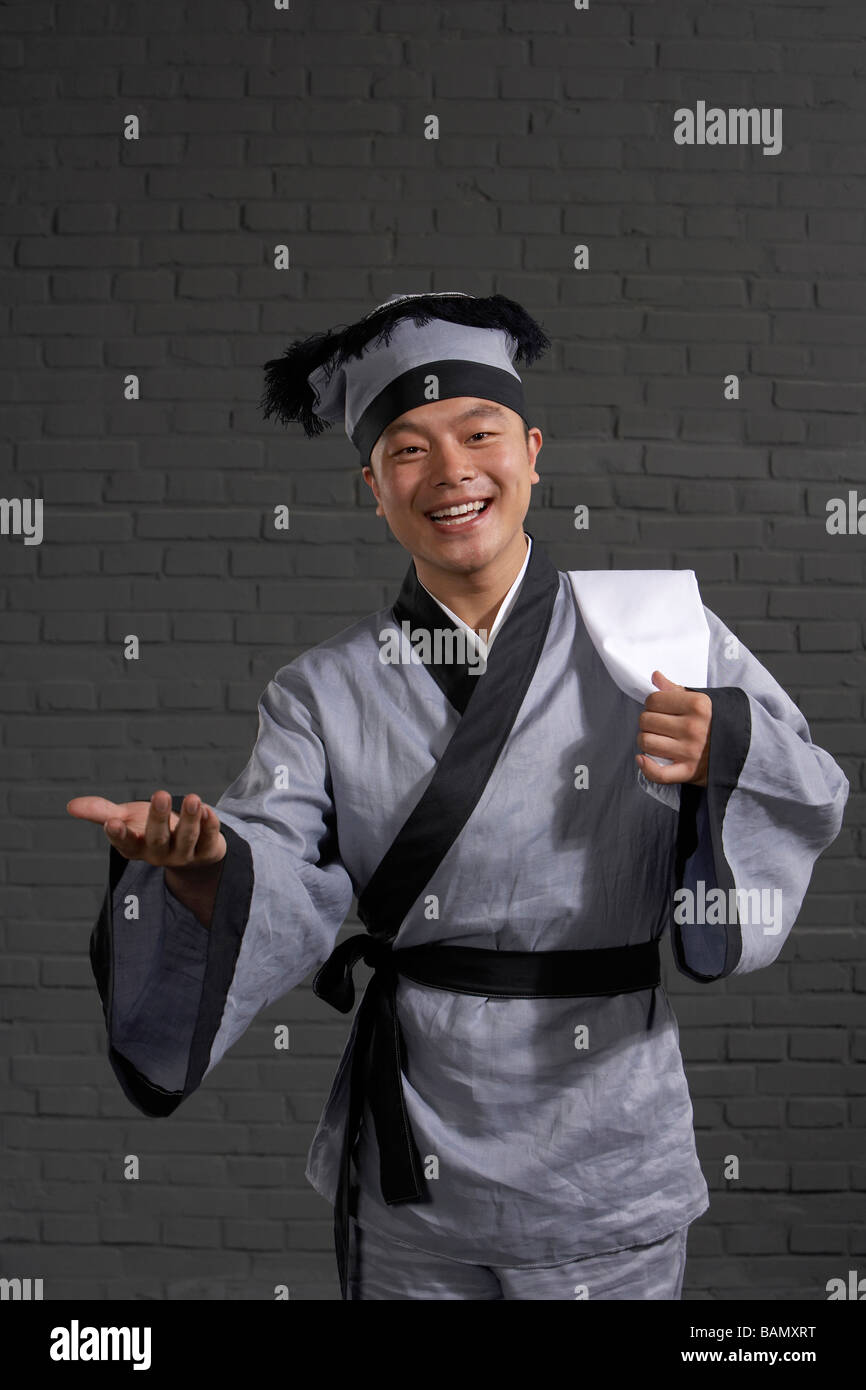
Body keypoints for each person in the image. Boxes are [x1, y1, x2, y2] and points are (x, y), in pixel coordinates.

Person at [68, 291, 849, 1301]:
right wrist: (204, 866)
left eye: (478, 434)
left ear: (530, 450)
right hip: (414, 1156)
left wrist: (725, 745)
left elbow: (812, 786)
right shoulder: (320, 688)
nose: (450, 473)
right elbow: (274, 854)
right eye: (407, 450)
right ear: (372, 487)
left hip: (603, 1145)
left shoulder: (659, 631)